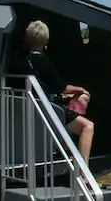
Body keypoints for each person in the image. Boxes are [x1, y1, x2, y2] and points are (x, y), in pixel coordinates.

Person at [18, 20, 96, 166]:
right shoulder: (42, 61)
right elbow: (60, 87)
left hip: (25, 105)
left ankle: (64, 143)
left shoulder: (18, 60)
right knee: (87, 126)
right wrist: (81, 90)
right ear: (45, 41)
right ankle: (83, 175)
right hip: (43, 110)